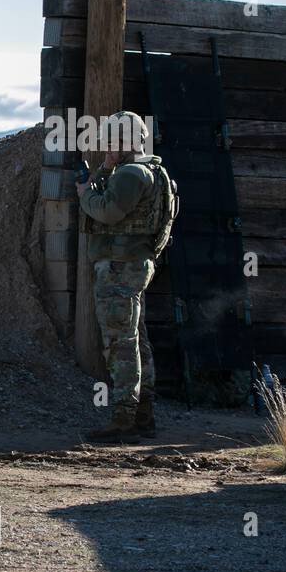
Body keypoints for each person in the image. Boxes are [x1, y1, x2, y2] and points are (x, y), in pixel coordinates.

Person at [77, 111, 176, 443]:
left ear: (126, 141)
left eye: (113, 141)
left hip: (119, 268)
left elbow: (106, 210)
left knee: (120, 342)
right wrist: (105, 168)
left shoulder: (132, 174)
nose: (108, 146)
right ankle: (143, 414)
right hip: (134, 266)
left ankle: (124, 418)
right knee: (137, 340)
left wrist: (84, 197)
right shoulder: (151, 172)